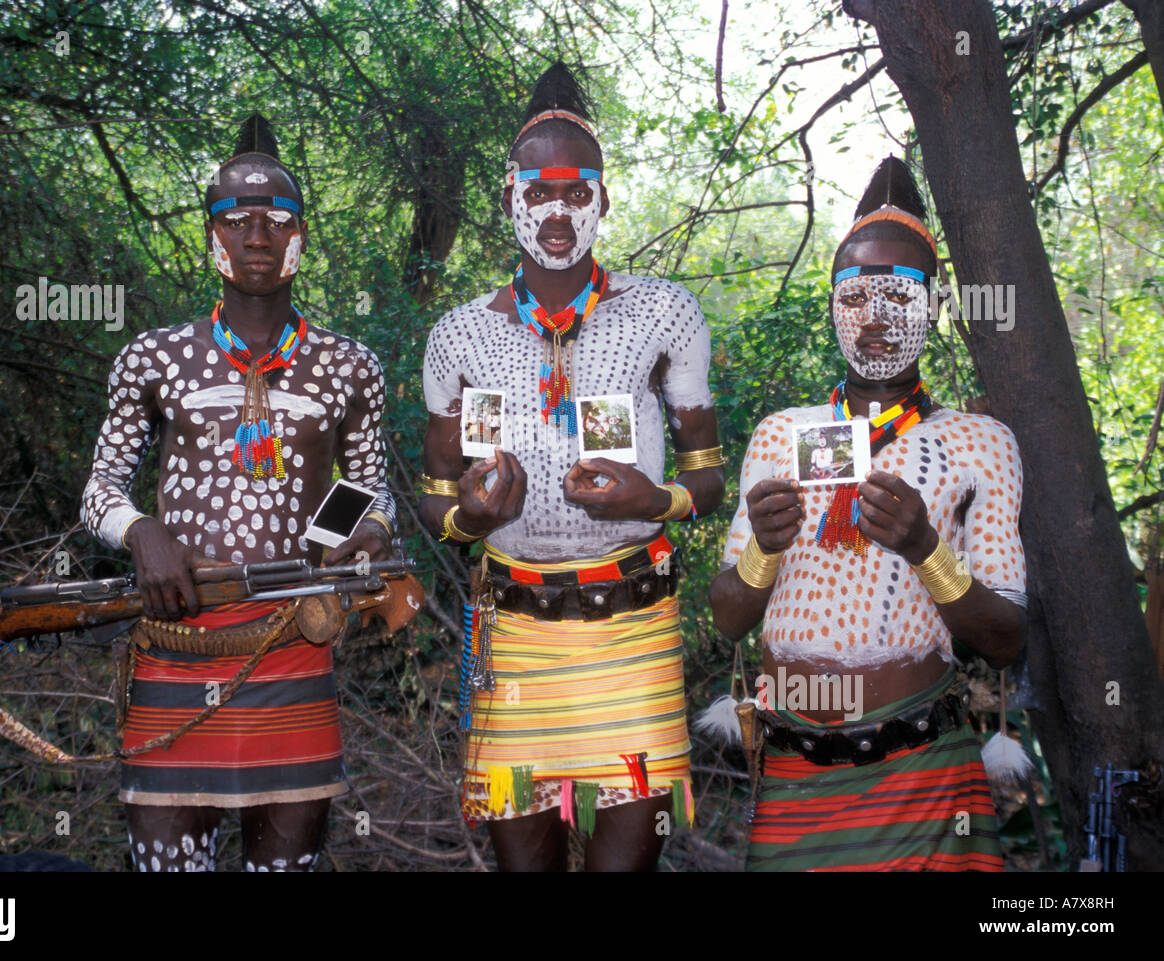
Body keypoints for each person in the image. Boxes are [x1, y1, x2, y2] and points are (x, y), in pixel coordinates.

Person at [420, 63, 725, 871]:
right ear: (510, 197)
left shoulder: (663, 312)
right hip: (513, 638)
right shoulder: (459, 336)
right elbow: (434, 501)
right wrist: (471, 519)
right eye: (538, 190)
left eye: (578, 190)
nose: (558, 210)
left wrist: (653, 498)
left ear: (604, 199)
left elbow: (710, 480)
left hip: (632, 628)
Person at [80, 115, 396, 872]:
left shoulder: (348, 367)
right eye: (237, 219)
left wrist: (362, 533)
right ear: (211, 237)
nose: (258, 235)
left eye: (278, 219)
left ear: (302, 237)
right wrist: (143, 532)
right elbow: (98, 488)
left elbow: (365, 486)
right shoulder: (153, 357)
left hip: (292, 644)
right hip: (176, 644)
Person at [708, 156, 1027, 871]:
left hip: (921, 774)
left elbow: (1007, 639)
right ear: (832, 307)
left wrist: (925, 548)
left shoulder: (979, 444)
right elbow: (727, 617)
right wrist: (762, 547)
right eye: (855, 298)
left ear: (936, 304)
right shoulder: (780, 433)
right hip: (793, 772)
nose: (876, 317)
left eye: (899, 295)